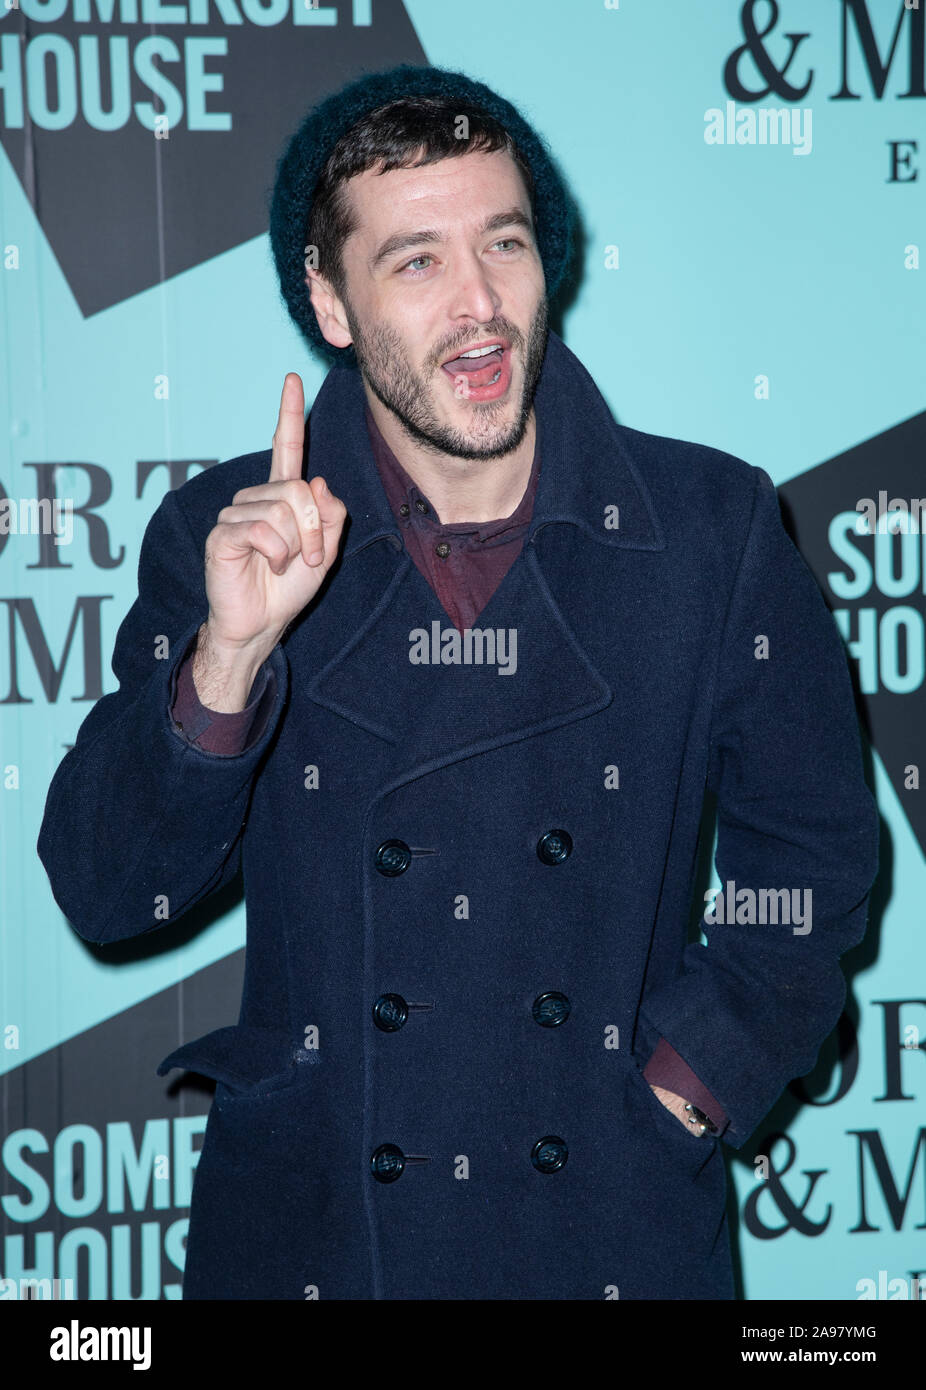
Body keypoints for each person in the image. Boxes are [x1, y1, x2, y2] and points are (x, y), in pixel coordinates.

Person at [38, 64, 879, 1301]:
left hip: (605, 1226)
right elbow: (112, 892)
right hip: (317, 1234)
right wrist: (229, 658)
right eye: (415, 261)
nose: (480, 305)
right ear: (328, 299)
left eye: (504, 242)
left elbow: (812, 859)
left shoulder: (711, 528)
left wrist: (687, 1090)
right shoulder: (226, 537)